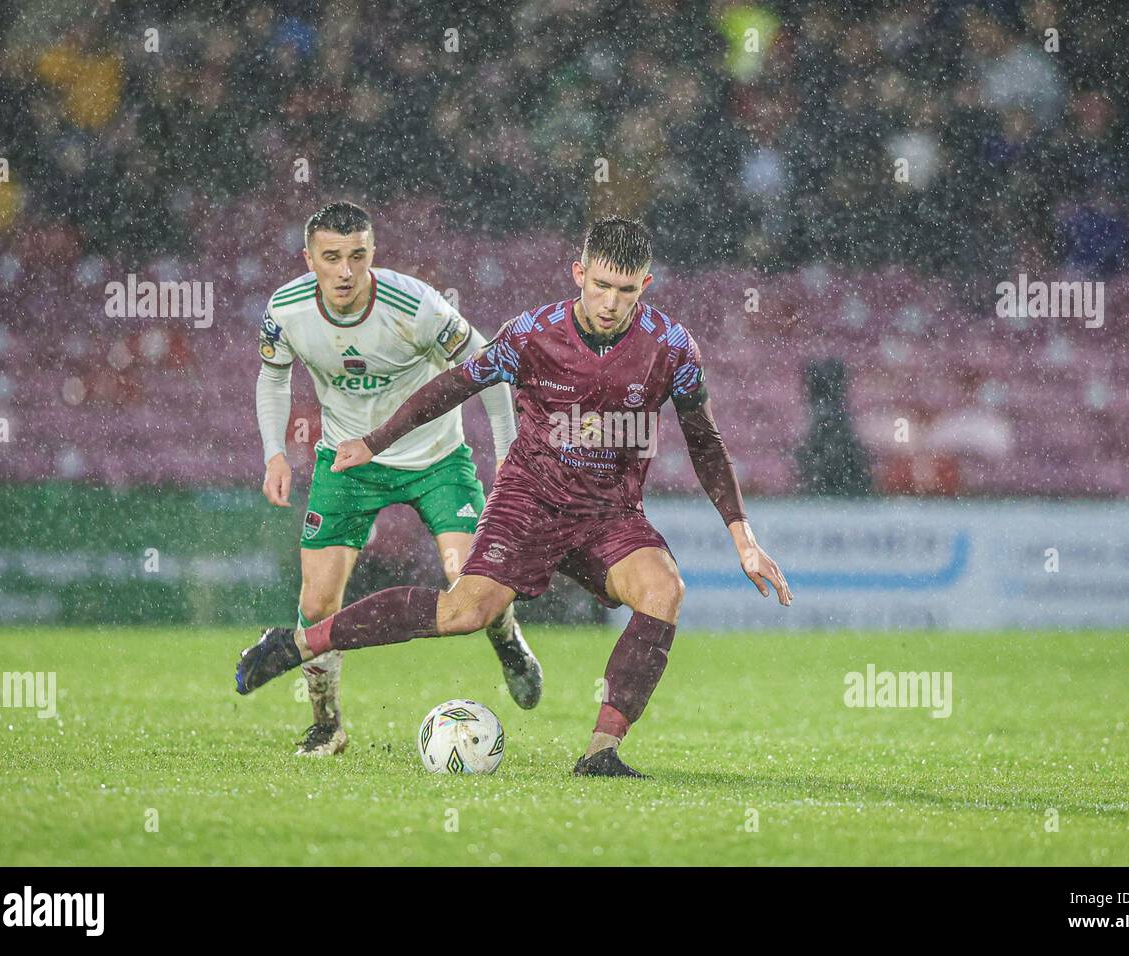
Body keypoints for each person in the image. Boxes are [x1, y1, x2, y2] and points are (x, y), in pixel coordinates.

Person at [239, 216, 791, 777]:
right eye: (600, 285)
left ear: (644, 286)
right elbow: (455, 384)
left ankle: (601, 754)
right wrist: (376, 440)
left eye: (625, 291)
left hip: (608, 515)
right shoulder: (531, 333)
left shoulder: (671, 347)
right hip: (528, 503)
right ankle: (299, 643)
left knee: (663, 589)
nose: (610, 302)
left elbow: (705, 440)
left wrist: (743, 539)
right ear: (579, 274)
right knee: (464, 612)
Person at [254, 201, 540, 757]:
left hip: (436, 460)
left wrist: (509, 453)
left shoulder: (416, 305)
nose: (344, 270)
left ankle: (505, 637)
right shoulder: (285, 309)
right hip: (346, 463)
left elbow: (493, 366)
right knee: (315, 605)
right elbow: (273, 376)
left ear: (372, 255)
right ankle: (326, 722)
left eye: (357, 256)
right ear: (308, 257)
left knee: (469, 583)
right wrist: (274, 454)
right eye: (331, 257)